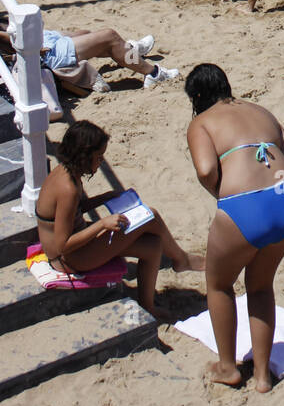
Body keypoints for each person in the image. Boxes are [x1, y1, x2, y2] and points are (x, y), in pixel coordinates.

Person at [184, 64, 284, 389]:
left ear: (196, 97)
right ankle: (263, 376)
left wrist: (225, 194)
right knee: (261, 286)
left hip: (244, 207)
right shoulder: (262, 111)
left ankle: (228, 367)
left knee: (219, 285)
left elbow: (206, 169)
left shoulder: (201, 123)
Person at [36, 120, 203, 318]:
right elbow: (63, 245)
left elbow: (72, 212)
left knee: (152, 246)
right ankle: (181, 259)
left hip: (73, 244)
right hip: (68, 259)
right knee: (151, 216)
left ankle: (148, 304)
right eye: (98, 157)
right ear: (83, 156)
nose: (100, 162)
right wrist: (101, 224)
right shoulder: (68, 189)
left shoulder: (64, 172)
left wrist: (103, 198)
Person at [15, 21, 179, 93]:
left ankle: (128, 51)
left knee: (85, 34)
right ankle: (153, 73)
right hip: (46, 52)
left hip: (43, 39)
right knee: (110, 36)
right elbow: (8, 41)